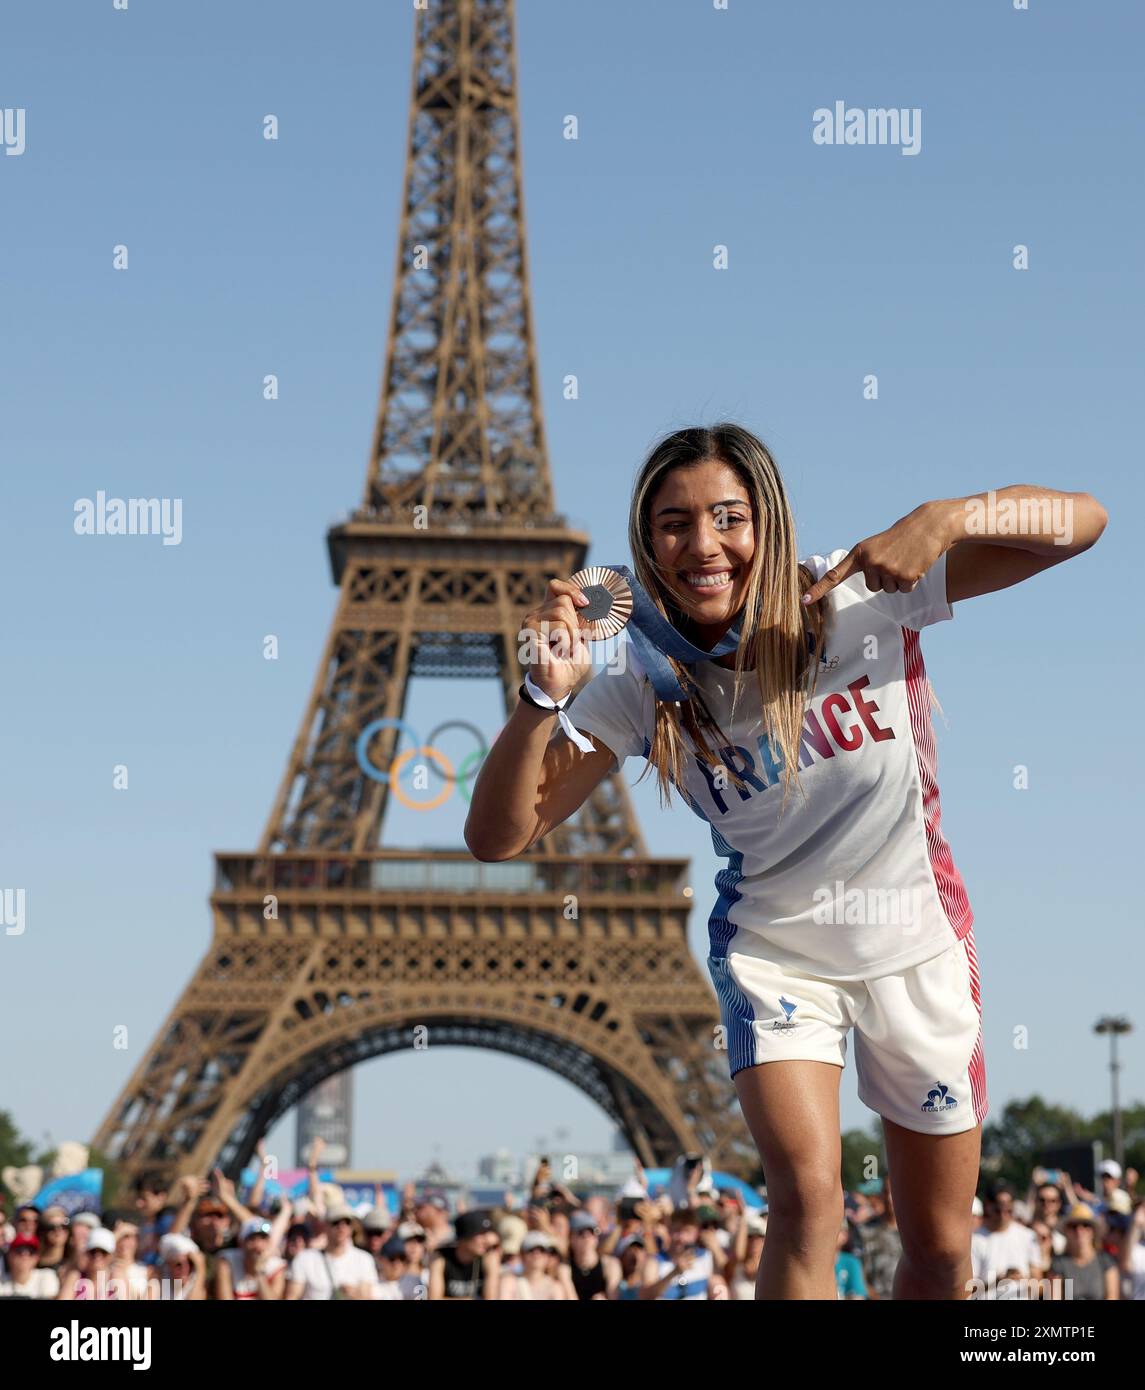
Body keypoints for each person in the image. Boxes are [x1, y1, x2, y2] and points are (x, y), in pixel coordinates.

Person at [465, 423, 1107, 1300]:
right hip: (777, 952)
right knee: (807, 1203)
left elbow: (1086, 520)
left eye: (727, 516)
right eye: (672, 524)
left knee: (940, 1246)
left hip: (916, 943)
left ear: (766, 521)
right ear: (644, 543)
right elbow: (500, 835)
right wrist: (541, 697)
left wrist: (950, 517)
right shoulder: (641, 678)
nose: (702, 546)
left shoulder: (857, 594)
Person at [285, 1205, 377, 1300]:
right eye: (336, 1222)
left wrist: (355, 1294)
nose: (342, 1227)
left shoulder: (364, 1259)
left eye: (347, 1222)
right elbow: (292, 1296)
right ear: (325, 1226)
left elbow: (368, 1295)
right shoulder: (305, 1258)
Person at [640, 1207, 728, 1300]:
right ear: (669, 1230)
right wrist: (673, 1273)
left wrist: (716, 1249)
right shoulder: (655, 1261)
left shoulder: (706, 1257)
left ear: (696, 1233)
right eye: (677, 1230)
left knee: (717, 1283)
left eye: (687, 1231)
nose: (681, 1237)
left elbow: (727, 1273)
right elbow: (645, 1296)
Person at [970, 1183, 1041, 1297]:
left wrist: (1023, 1280)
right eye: (998, 1211)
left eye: (1008, 1211)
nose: (1003, 1216)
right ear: (987, 1206)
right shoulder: (974, 1240)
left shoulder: (1028, 1236)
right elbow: (968, 1288)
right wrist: (998, 1282)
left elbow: (1039, 1282)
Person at [1049, 1204, 1118, 1301]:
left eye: (1086, 1225)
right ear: (1066, 1231)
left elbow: (1112, 1296)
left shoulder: (1105, 1261)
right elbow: (1054, 1297)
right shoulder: (1059, 1263)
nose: (1079, 1230)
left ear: (1093, 1231)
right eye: (1074, 1226)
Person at [427, 1209, 501, 1300]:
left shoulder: (489, 1258)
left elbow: (491, 1298)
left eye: (487, 1234)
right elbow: (434, 1298)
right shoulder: (440, 1258)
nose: (486, 1240)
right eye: (481, 1234)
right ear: (464, 1237)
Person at [217, 1218, 287, 1300]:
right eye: (252, 1239)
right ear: (241, 1243)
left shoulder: (276, 1266)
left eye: (263, 1238)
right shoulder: (227, 1261)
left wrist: (259, 1272)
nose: (258, 1245)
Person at [566, 1210, 620, 1300]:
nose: (587, 1237)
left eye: (592, 1231)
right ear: (571, 1238)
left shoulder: (610, 1265)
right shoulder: (565, 1268)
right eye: (581, 1232)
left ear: (597, 1238)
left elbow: (613, 1297)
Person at [499, 1232, 569, 1300]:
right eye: (531, 1250)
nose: (536, 1254)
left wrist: (566, 1280)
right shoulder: (509, 1282)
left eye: (542, 1250)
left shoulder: (555, 1287)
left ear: (547, 1256)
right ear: (521, 1255)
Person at [0, 1234, 60, 1299]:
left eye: (31, 1251)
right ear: (9, 1255)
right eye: (19, 1250)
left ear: (37, 1258)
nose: (25, 1255)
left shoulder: (47, 1276)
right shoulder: (1, 1281)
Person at [835, 1218, 868, 1299]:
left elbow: (859, 1296)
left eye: (837, 1230)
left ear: (845, 1236)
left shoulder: (851, 1261)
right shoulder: (814, 1264)